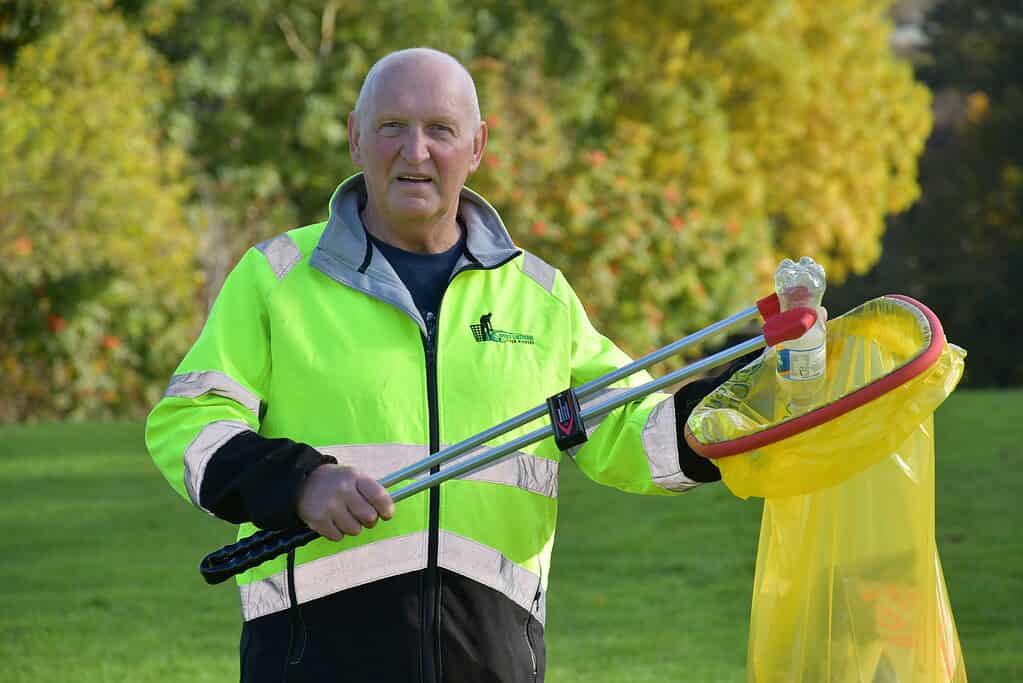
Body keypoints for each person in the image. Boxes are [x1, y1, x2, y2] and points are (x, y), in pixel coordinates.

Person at [146, 47, 739, 683]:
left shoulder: (538, 296)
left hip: (493, 660)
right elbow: (188, 422)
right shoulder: (275, 279)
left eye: (441, 130)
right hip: (310, 660)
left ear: (477, 145)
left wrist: (742, 410)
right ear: (355, 138)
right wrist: (299, 483)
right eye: (391, 127)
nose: (416, 151)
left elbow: (632, 431)